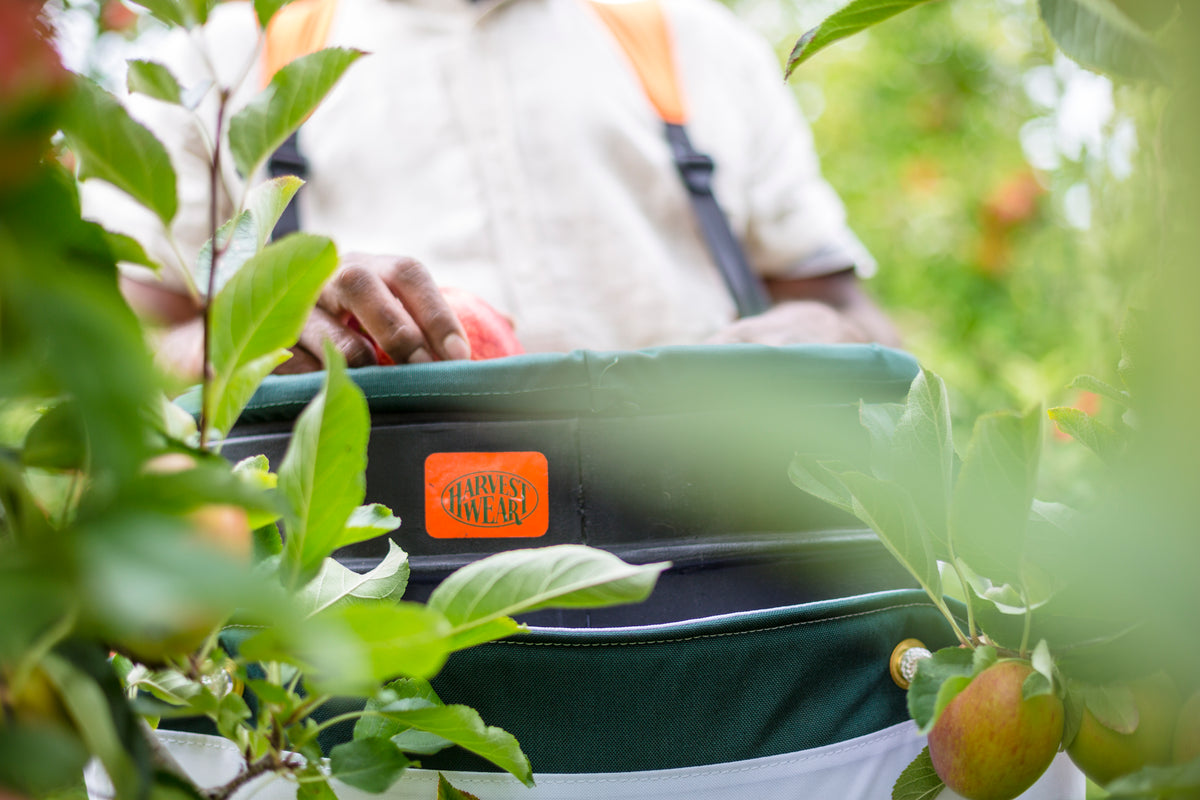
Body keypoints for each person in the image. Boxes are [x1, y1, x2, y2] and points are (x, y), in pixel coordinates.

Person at [82, 0, 899, 379]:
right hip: (363, 587)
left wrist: (828, 333)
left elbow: (860, 321)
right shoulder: (223, 64)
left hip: (701, 563)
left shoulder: (696, 42)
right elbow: (128, 348)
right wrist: (258, 328)